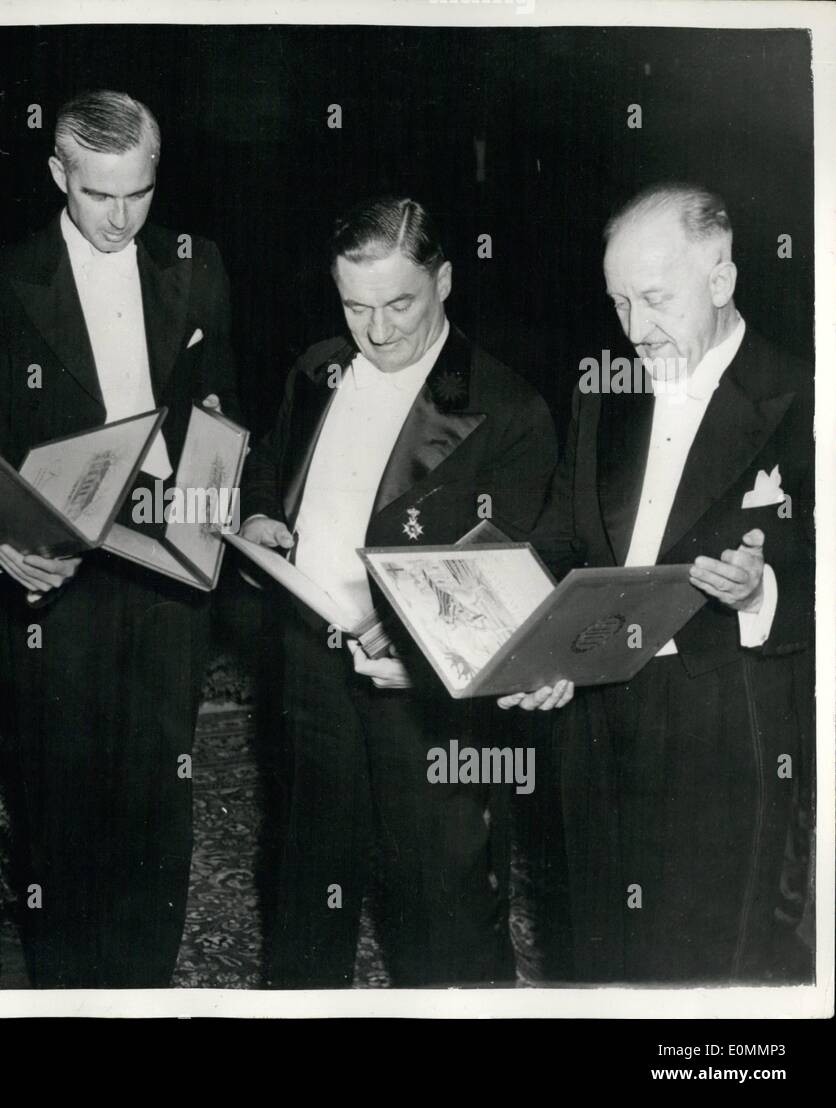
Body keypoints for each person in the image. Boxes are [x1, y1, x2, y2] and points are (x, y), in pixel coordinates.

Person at [239, 196, 557, 987]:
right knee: (306, 885)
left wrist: (415, 630)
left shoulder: (507, 410)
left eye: (399, 304)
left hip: (428, 699)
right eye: (355, 306)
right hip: (309, 668)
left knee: (443, 899)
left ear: (444, 281)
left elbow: (517, 576)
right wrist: (256, 512)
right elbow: (271, 461)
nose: (376, 331)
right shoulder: (317, 367)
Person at [501, 182, 815, 983]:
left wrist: (760, 593)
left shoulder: (806, 396)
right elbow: (562, 541)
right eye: (618, 303)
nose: (636, 330)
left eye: (655, 298)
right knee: (601, 951)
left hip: (727, 722)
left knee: (718, 963)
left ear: (721, 279)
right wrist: (535, 650)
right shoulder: (602, 390)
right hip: (598, 716)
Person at [0, 90, 239, 987]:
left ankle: (143, 989)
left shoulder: (199, 270)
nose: (121, 218)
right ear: (59, 177)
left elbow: (216, 411)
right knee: (56, 800)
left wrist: (213, 491)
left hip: (167, 572)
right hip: (58, 576)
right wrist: (5, 540)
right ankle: (61, 990)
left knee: (159, 796)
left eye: (140, 193)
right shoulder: (4, 281)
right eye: (98, 197)